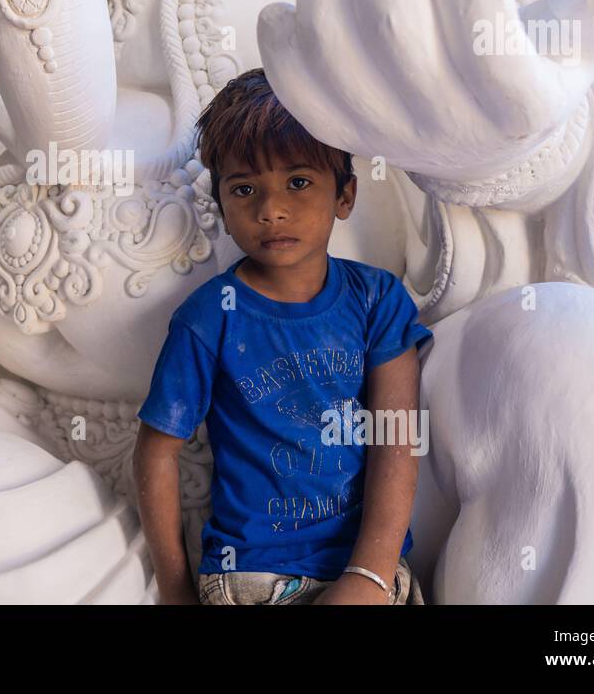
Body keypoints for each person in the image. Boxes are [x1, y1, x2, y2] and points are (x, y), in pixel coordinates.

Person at [133, 68, 433, 605]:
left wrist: (368, 576)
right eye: (244, 189)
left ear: (345, 195)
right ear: (222, 207)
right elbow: (157, 451)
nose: (270, 210)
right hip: (252, 576)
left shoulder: (377, 301)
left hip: (368, 566)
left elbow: (397, 436)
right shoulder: (209, 318)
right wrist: (176, 591)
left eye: (298, 182)